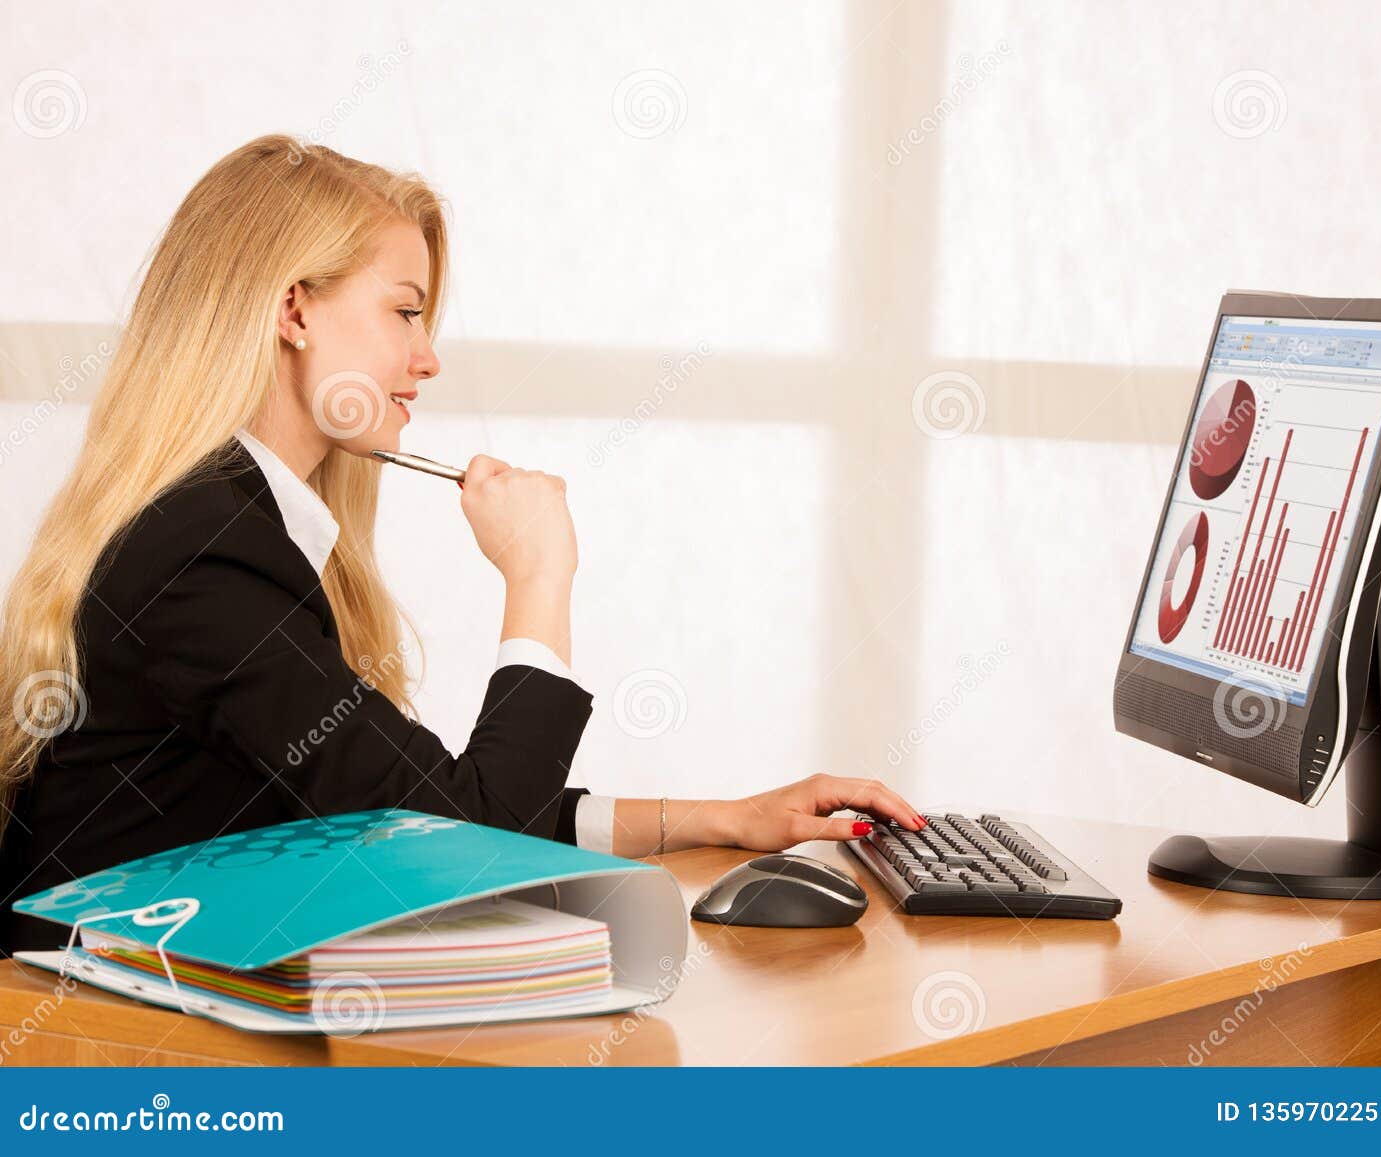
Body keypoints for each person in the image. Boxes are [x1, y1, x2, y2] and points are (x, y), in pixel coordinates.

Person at [0, 135, 924, 953]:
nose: (429, 357)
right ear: (294, 311)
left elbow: (416, 806)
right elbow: (463, 839)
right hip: (105, 1057)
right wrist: (539, 577)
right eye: (405, 312)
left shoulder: (224, 523)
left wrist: (725, 818)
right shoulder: (208, 552)